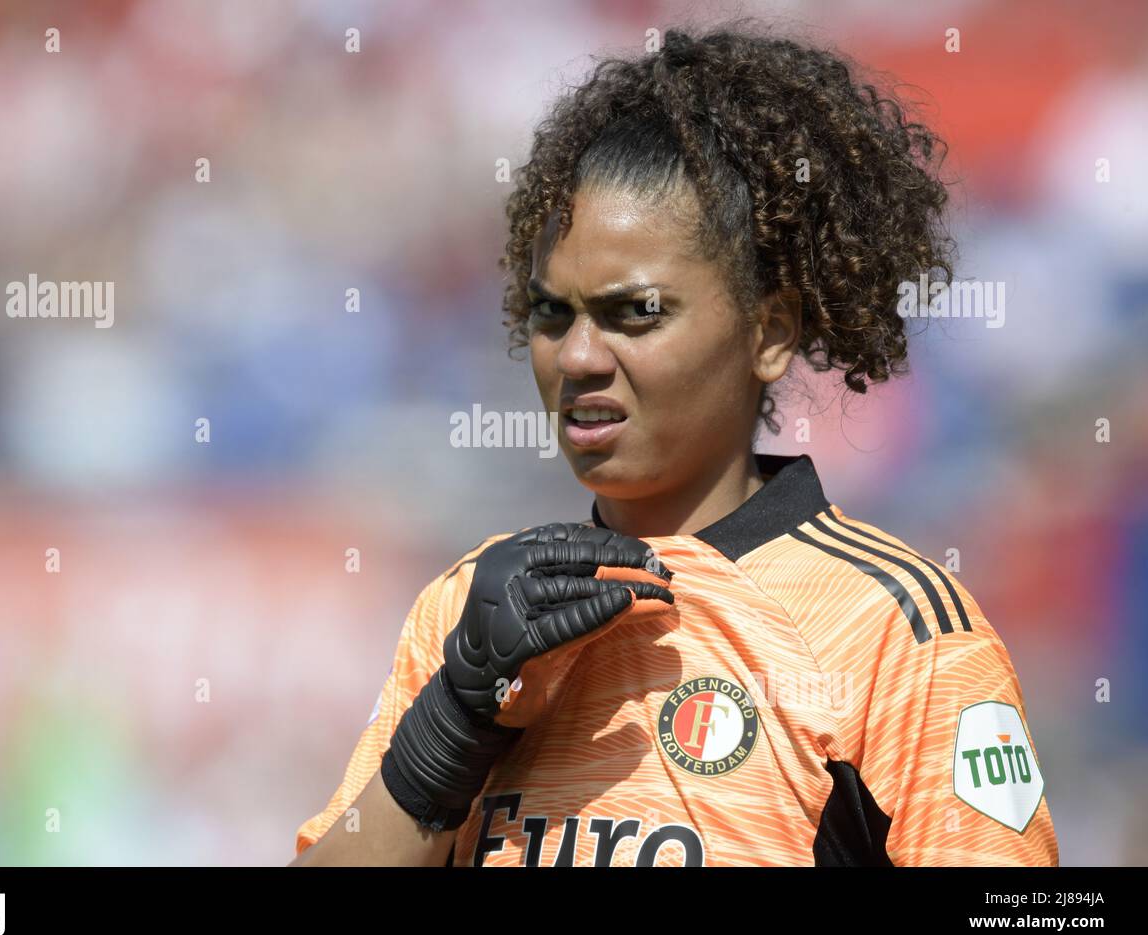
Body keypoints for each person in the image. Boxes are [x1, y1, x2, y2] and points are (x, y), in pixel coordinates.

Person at [291, 24, 1059, 866]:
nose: (579, 356)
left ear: (770, 332)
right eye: (554, 314)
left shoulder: (896, 628)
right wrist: (454, 722)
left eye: (637, 313)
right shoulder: (466, 610)